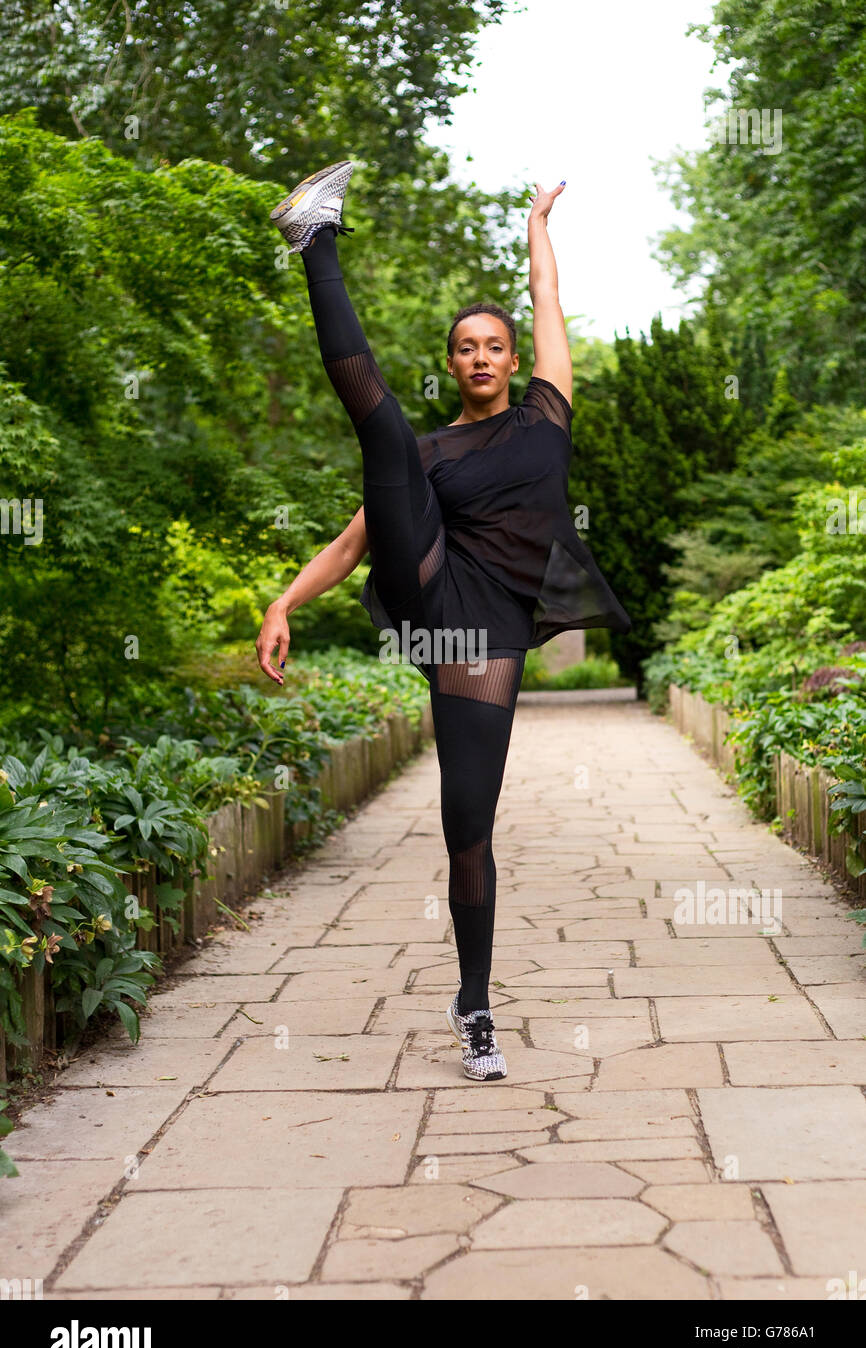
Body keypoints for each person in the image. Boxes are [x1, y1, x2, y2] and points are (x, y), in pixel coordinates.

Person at [255, 160, 631, 1080]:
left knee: (470, 824)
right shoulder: (427, 449)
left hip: (483, 638)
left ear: (511, 359)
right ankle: (315, 238)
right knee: (382, 434)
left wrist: (539, 224)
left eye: (492, 345)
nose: (479, 357)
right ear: (453, 361)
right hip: (429, 584)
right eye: (463, 346)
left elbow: (546, 298)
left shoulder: (548, 415)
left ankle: (475, 1005)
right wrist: (284, 601)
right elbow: (352, 546)